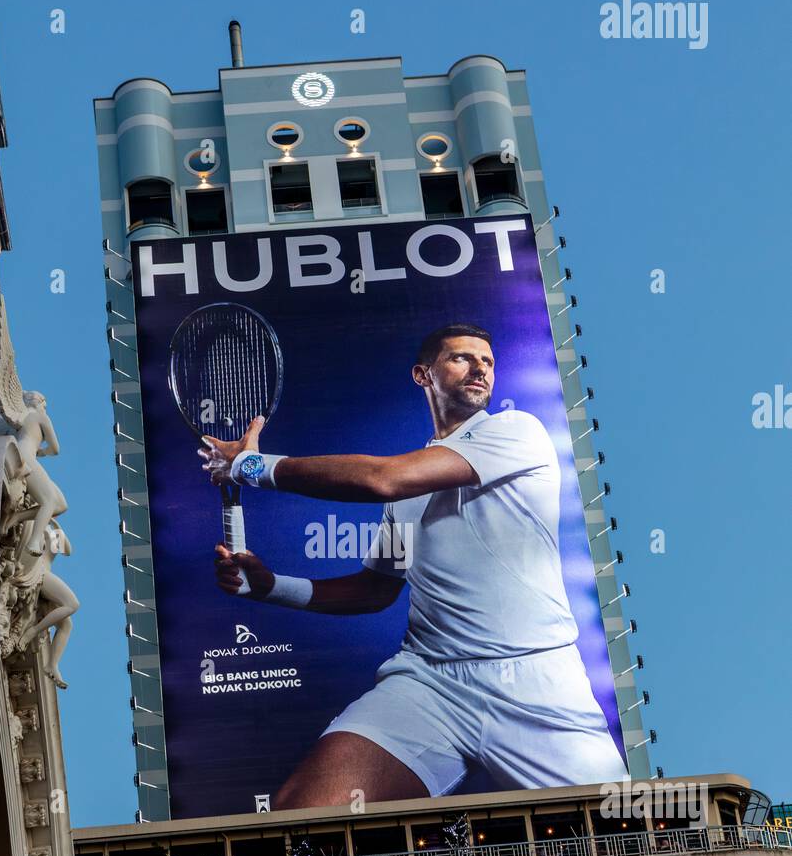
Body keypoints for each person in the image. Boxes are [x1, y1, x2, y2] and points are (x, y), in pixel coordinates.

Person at [199, 323, 628, 807]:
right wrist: (271, 586)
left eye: (487, 361)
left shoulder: (515, 432)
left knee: (635, 838)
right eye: (461, 358)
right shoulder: (409, 487)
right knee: (303, 816)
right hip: (430, 683)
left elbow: (384, 479)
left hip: (535, 682)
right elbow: (375, 590)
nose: (479, 369)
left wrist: (251, 467)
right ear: (423, 375)